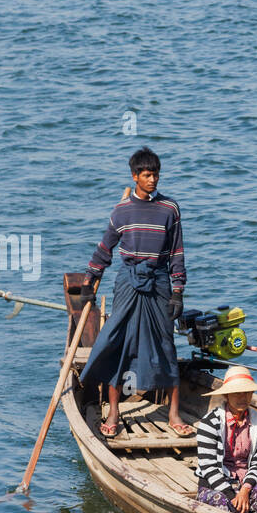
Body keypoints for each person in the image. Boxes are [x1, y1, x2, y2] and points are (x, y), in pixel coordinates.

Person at [80, 146, 194, 439]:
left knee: (166, 344)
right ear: (135, 177)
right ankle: (114, 411)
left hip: (158, 283)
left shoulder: (170, 209)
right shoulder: (121, 212)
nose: (153, 179)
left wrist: (177, 291)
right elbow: (104, 249)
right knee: (120, 343)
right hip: (129, 282)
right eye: (147, 175)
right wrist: (89, 284)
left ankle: (173, 413)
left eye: (155, 174)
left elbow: (177, 253)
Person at [194, 366, 257, 513]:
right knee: (222, 504)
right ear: (226, 394)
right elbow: (209, 468)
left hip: (248, 485)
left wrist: (245, 490)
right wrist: (233, 497)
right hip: (215, 486)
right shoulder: (209, 423)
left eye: (247, 392)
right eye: (237, 392)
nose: (243, 397)